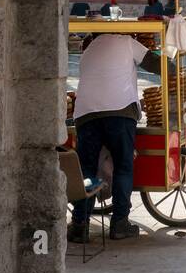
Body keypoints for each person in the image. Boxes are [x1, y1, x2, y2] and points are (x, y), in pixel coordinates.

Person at [68, 32, 163, 242]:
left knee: (87, 169)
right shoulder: (128, 42)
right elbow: (157, 65)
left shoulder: (89, 48)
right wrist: (172, 59)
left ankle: (79, 224)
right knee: (123, 166)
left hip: (86, 113)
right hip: (120, 112)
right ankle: (120, 223)